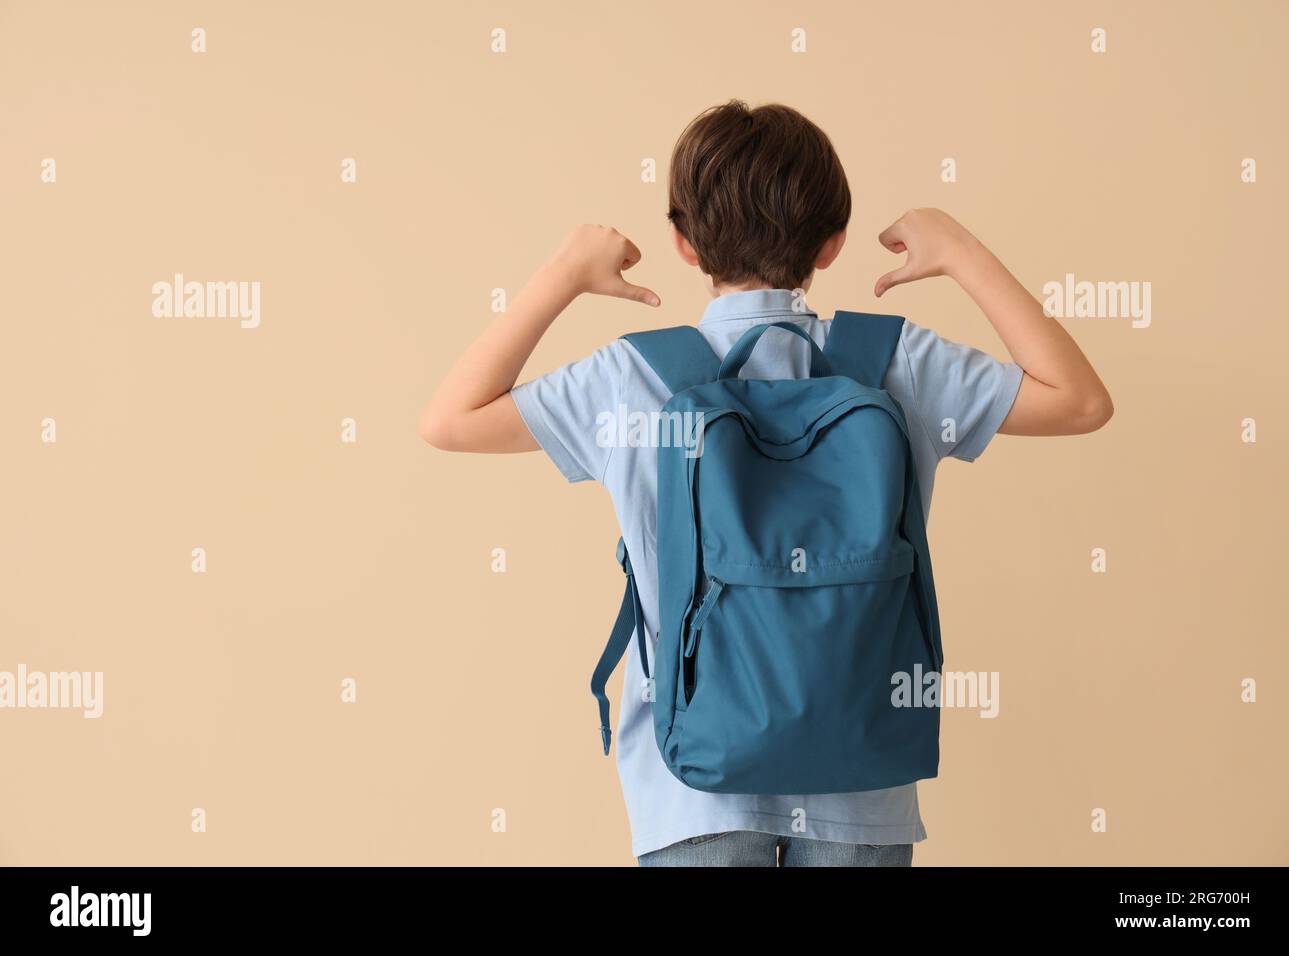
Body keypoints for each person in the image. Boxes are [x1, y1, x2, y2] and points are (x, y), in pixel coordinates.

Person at [419, 101, 1112, 866]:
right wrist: (959, 252)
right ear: (833, 243)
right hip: (861, 783)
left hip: (691, 791)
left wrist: (566, 274)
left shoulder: (633, 378)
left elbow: (450, 419)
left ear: (682, 243)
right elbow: (1080, 401)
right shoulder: (897, 361)